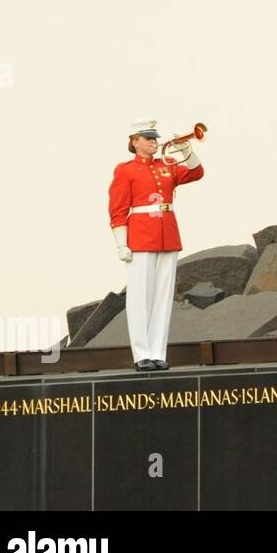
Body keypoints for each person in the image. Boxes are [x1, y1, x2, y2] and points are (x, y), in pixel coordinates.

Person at [108, 119, 204, 372]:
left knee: (163, 297)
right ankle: (141, 354)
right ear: (134, 141)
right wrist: (121, 243)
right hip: (140, 237)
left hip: (167, 234)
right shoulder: (125, 170)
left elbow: (196, 172)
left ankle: (157, 352)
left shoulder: (167, 165)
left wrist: (185, 149)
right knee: (140, 297)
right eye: (148, 138)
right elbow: (117, 210)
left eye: (155, 138)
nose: (154, 142)